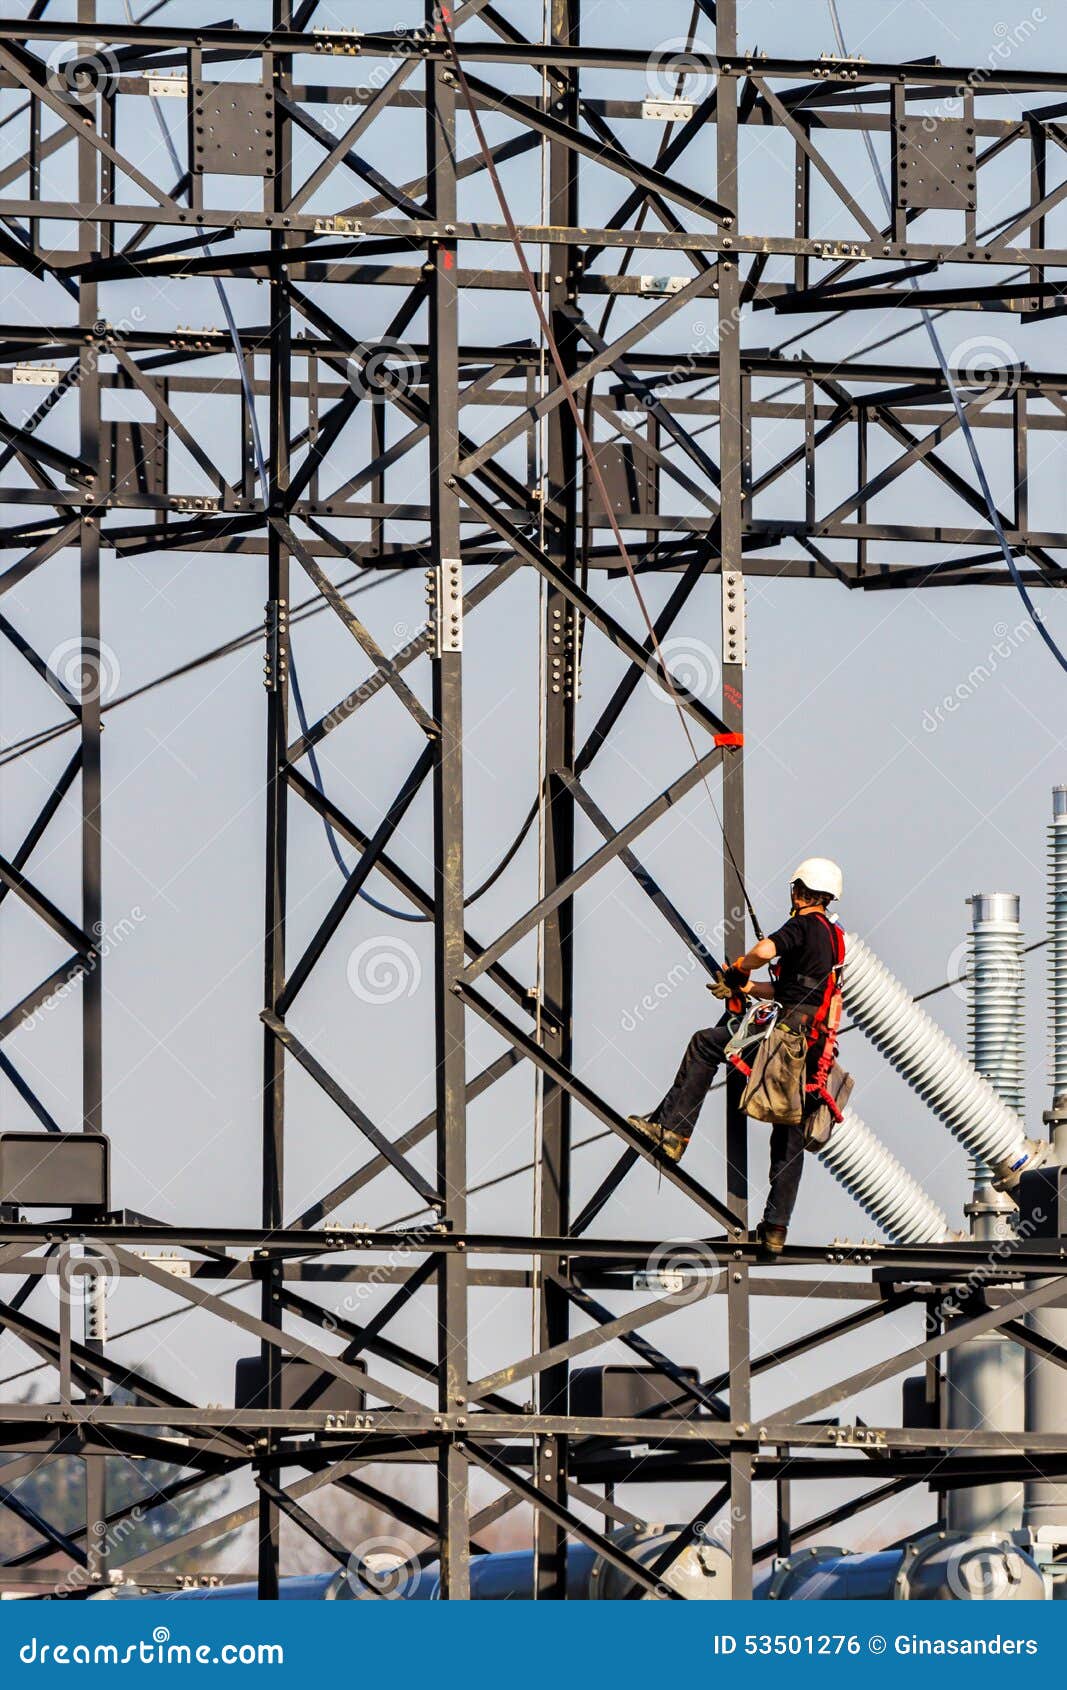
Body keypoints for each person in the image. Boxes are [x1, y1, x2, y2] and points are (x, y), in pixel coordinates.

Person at [627, 858, 846, 1253]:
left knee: (705, 1044)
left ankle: (673, 1132)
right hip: (813, 1049)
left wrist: (738, 970)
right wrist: (745, 988)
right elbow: (789, 991)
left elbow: (764, 949)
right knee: (789, 1133)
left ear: (798, 891)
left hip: (783, 1040)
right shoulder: (832, 937)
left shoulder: (802, 925)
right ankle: (775, 1228)